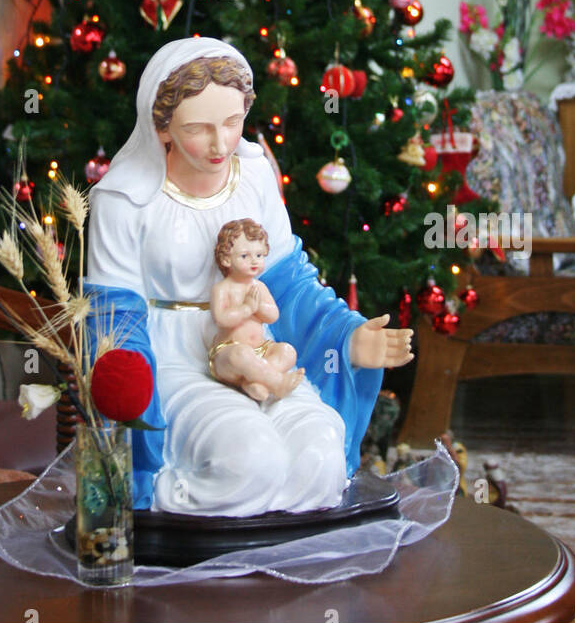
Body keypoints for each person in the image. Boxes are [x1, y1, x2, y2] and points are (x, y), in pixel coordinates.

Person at [85, 37, 413, 517]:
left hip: (260, 347)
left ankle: (275, 552)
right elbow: (115, 314)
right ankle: (165, 508)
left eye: (233, 122)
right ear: (163, 127)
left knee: (320, 457)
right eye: (199, 128)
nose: (221, 144)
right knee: (248, 462)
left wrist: (345, 336)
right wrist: (129, 379)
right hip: (176, 361)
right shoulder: (125, 198)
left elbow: (289, 283)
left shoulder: (255, 175)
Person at [208, 218, 305, 402]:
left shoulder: (258, 287)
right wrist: (246, 308)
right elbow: (221, 319)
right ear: (226, 258)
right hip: (229, 352)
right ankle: (277, 382)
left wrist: (259, 306)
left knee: (287, 351)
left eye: (259, 255)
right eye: (245, 256)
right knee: (241, 355)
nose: (254, 261)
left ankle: (255, 382)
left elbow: (273, 315)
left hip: (261, 349)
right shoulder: (223, 289)